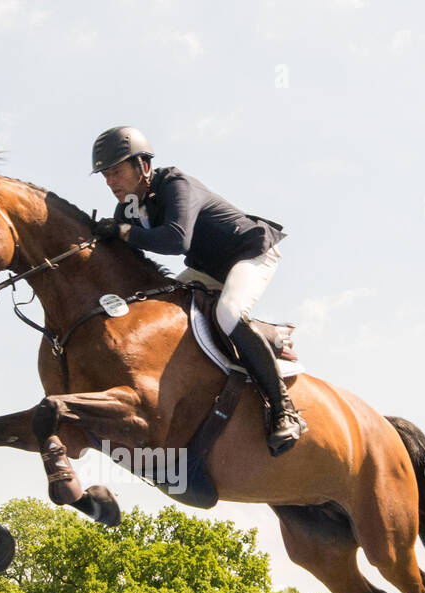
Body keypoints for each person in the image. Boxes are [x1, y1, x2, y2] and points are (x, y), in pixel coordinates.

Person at [89, 126, 306, 456]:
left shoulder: (175, 184)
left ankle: (284, 409)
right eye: (105, 176)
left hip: (250, 251)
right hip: (208, 267)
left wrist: (122, 232)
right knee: (158, 307)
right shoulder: (129, 208)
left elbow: (177, 240)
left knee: (229, 313)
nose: (111, 182)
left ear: (143, 166)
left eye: (116, 171)